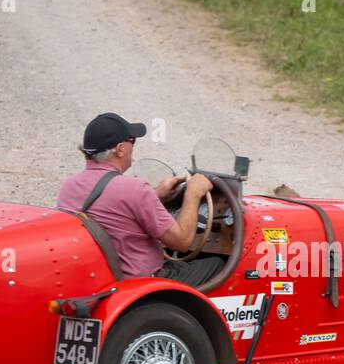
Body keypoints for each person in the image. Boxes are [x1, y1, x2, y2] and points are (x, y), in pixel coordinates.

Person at [57, 113, 226, 288]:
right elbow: (182, 242)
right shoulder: (135, 188)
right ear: (120, 149)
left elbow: (118, 212)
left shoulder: (69, 186)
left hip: (101, 280)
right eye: (133, 141)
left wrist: (155, 196)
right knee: (218, 264)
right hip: (142, 283)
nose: (133, 147)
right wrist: (193, 194)